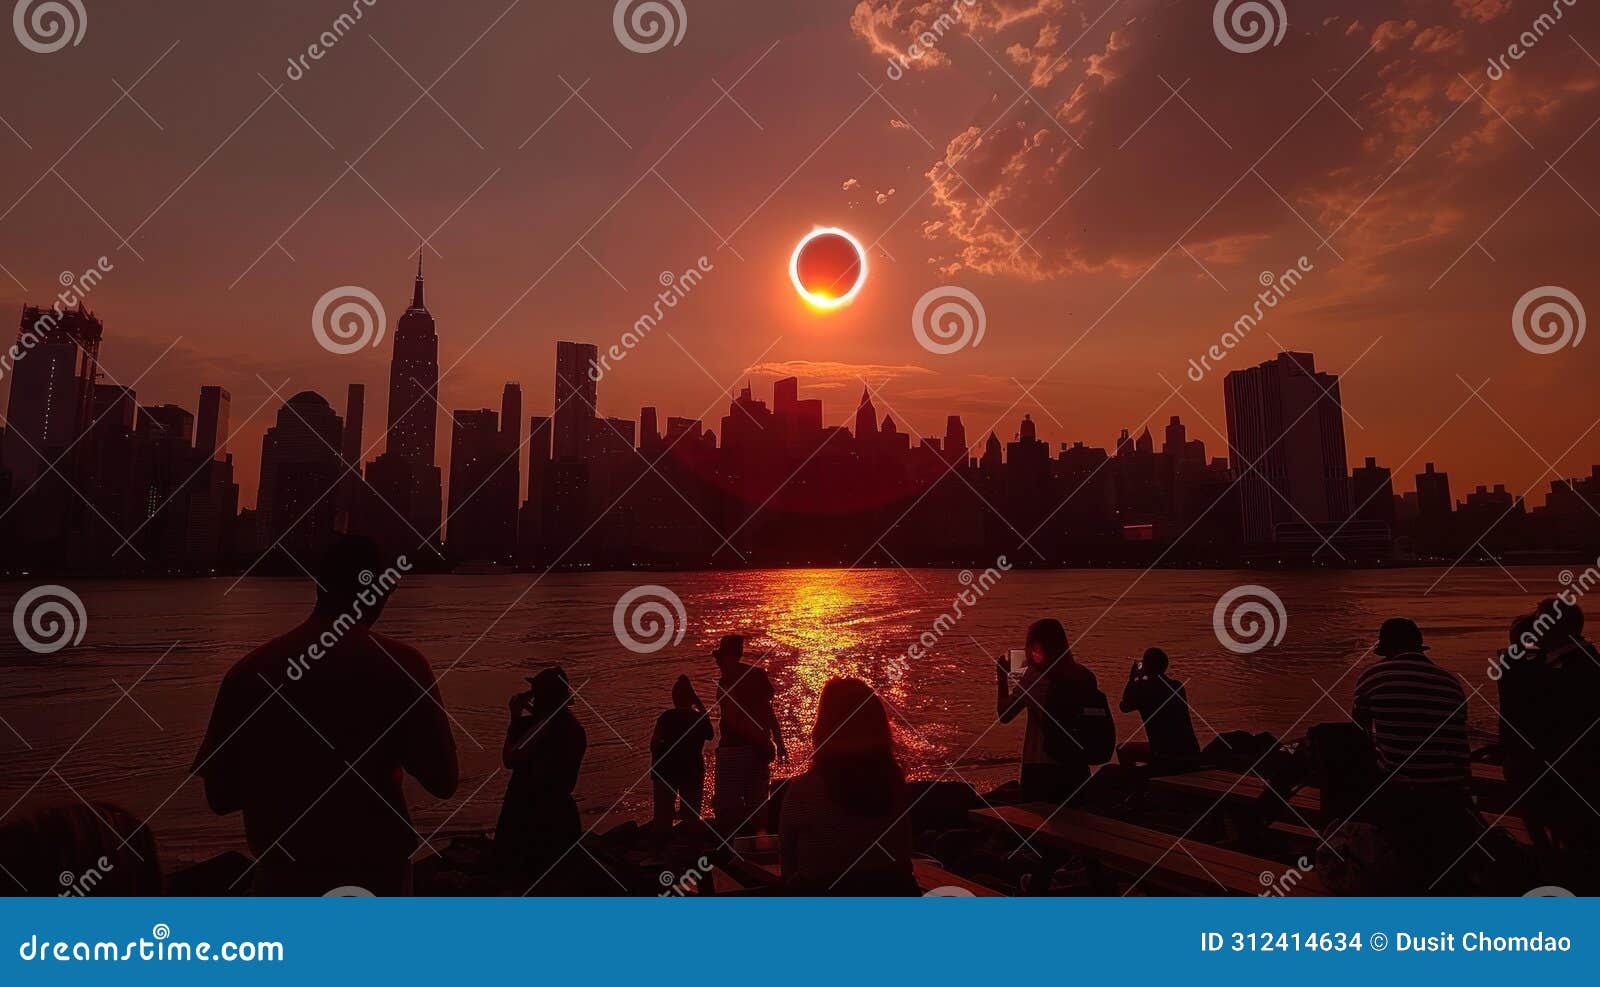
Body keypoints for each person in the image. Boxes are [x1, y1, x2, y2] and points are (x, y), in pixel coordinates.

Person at [193, 535, 458, 896]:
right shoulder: (404, 666)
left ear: (319, 586)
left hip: (284, 878)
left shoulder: (248, 673)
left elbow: (220, 797)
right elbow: (444, 781)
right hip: (377, 877)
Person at [1350, 618, 1478, 892]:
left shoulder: (1373, 677)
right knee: (1444, 864)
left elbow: (1359, 730)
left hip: (1401, 790)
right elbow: (1458, 742)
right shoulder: (1450, 682)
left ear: (1386, 649)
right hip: (1448, 790)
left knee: (1406, 860)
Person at [779, 677, 916, 895]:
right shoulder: (895, 784)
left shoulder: (804, 791)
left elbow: (787, 868)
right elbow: (904, 856)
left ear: (823, 727)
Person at [1498, 600, 1600, 863]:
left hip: (1569, 780)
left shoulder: (1570, 670)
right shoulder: (1578, 663)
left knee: (1576, 849)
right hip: (1569, 779)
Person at [994, 618, 1109, 802]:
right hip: (1077, 762)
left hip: (1041, 764)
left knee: (1036, 822)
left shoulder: (1034, 677)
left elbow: (1005, 715)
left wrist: (1001, 676)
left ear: (1034, 645)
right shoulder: (1085, 675)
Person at [496, 666, 588, 875]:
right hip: (561, 810)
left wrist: (514, 718)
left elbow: (509, 759)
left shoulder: (542, 726)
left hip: (531, 812)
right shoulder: (574, 728)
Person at [711, 635, 786, 832]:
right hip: (758, 750)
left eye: (720, 657)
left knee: (726, 804)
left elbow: (733, 719)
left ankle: (730, 849)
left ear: (729, 656)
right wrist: (777, 743)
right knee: (757, 802)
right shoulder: (758, 675)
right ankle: (758, 846)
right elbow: (768, 712)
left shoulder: (726, 681)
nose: (717, 662)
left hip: (735, 750)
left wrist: (763, 741)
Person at [1117, 647, 1201, 771]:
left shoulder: (1143, 689)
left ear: (1145, 667)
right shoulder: (1177, 686)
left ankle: (1134, 784)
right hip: (1191, 752)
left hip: (1165, 755)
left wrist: (1133, 678)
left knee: (1122, 749)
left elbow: (1124, 706)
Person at [651, 674, 713, 837]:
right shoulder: (699, 718)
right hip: (692, 769)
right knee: (691, 816)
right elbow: (710, 734)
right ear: (691, 699)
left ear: (674, 698)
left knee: (662, 815)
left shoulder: (666, 717)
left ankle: (660, 852)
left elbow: (654, 744)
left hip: (665, 769)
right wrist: (698, 703)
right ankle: (690, 852)